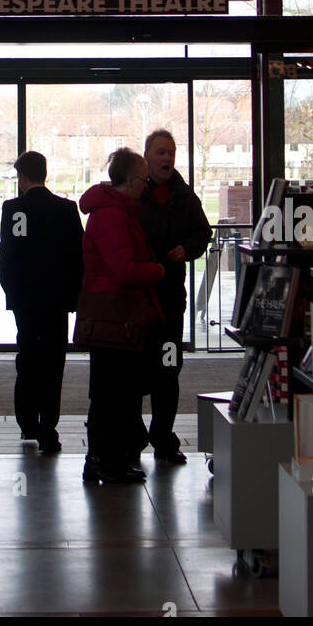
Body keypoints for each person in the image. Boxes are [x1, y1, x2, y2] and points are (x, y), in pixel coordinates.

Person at [78, 148, 165, 485]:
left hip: (111, 318)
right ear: (129, 180)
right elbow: (123, 271)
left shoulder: (113, 211)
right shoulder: (113, 216)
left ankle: (104, 459)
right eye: (143, 178)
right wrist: (157, 270)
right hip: (115, 318)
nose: (146, 184)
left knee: (109, 392)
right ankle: (106, 461)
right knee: (113, 394)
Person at [0, 150, 84, 453]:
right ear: (44, 173)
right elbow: (78, 256)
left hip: (25, 297)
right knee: (53, 361)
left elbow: (7, 254)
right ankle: (49, 426)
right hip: (57, 298)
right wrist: (73, 295)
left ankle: (27, 421)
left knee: (28, 355)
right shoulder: (66, 208)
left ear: (22, 177)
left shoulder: (13, 209)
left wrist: (10, 289)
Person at [137, 129, 211, 464]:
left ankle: (164, 437)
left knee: (168, 370)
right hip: (138, 301)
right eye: (161, 152)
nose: (167, 158)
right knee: (135, 372)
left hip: (169, 304)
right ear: (147, 156)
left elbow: (203, 233)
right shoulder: (135, 194)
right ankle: (134, 436)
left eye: (172, 152)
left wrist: (189, 249)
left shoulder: (185, 196)